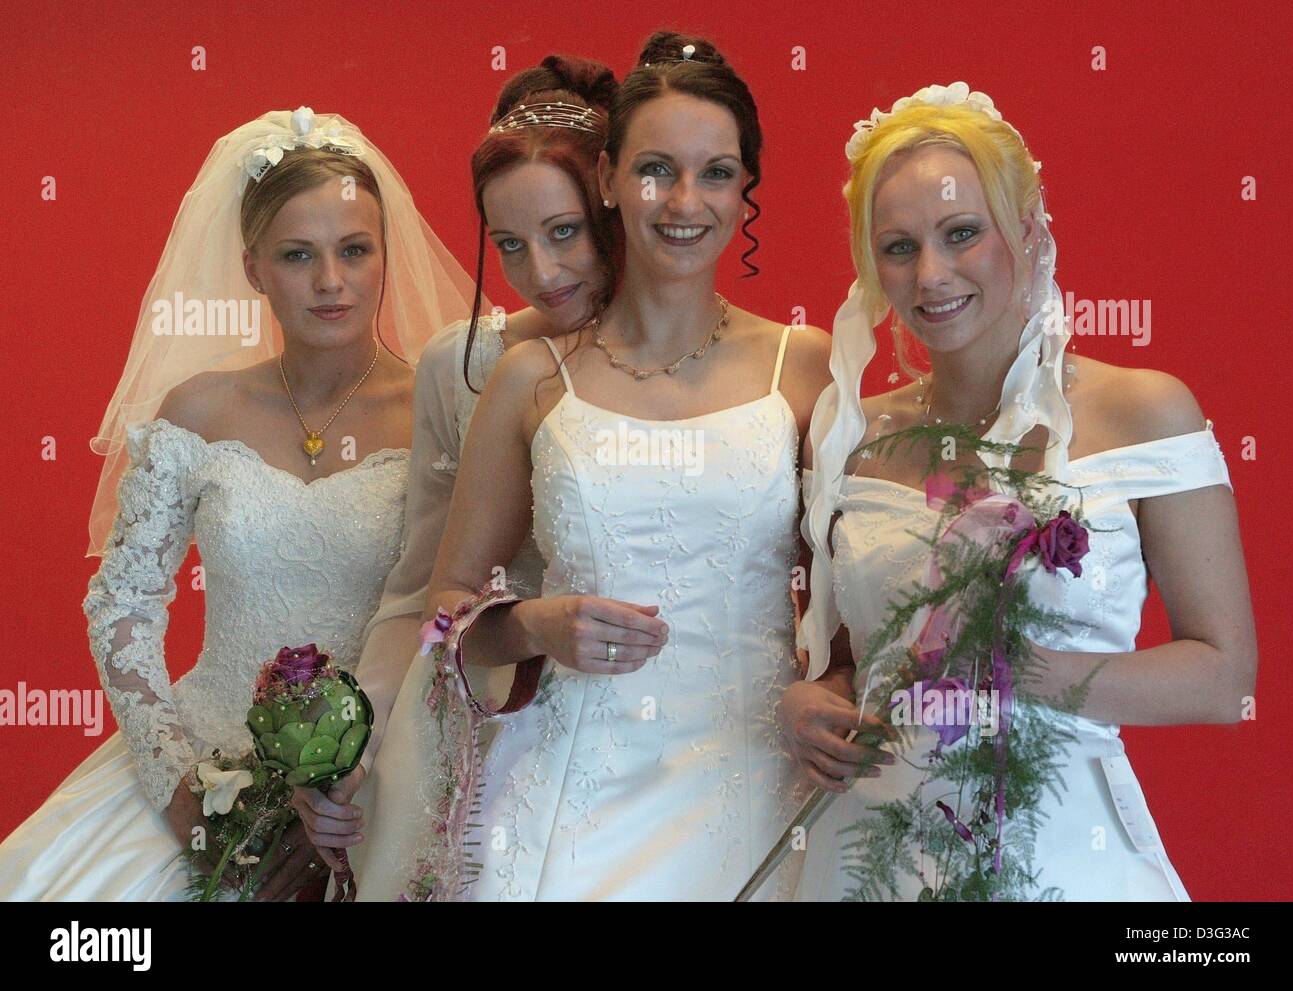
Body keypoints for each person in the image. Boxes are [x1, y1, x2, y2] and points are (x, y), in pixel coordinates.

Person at [784, 83, 1257, 901]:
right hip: (870, 855)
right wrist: (810, 702)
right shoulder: (851, 435)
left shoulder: (1145, 410)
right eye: (898, 247)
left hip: (1065, 854)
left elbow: (1224, 679)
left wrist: (1023, 672)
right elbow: (858, 661)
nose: (931, 274)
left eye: (961, 233)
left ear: (1030, 229)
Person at [0, 107, 475, 900]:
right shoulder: (198, 409)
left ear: (385, 255)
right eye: (298, 255)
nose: (331, 280)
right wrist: (184, 792)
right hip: (207, 767)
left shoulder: (440, 411)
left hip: (381, 786)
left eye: (355, 249)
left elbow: (452, 609)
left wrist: (356, 779)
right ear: (253, 268)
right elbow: (122, 606)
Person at [415, 31, 832, 901]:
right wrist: (534, 624)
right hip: (576, 801)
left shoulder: (804, 366)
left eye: (717, 172)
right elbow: (446, 611)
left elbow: (856, 602)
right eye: (655, 170)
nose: (685, 201)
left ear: (745, 188)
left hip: (759, 782)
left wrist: (836, 686)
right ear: (607, 177)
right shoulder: (530, 378)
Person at [291, 55, 623, 901]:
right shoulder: (463, 365)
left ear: (617, 199)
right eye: (509, 244)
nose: (541, 273)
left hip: (662, 733)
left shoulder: (721, 366)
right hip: (490, 730)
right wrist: (357, 746)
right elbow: (418, 597)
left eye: (565, 231)